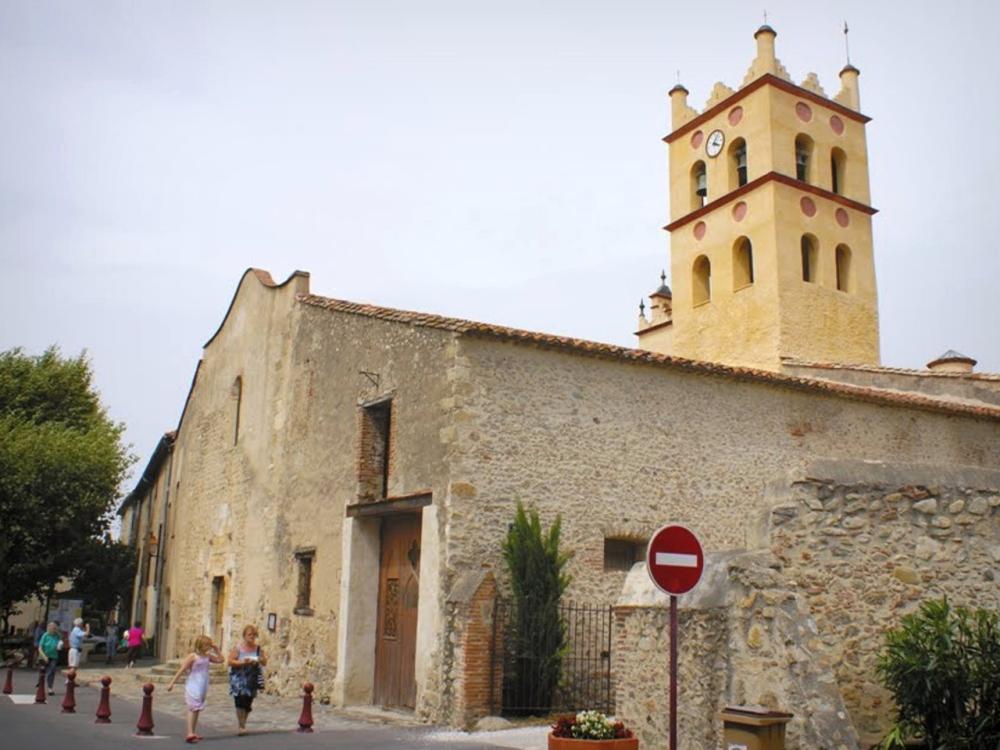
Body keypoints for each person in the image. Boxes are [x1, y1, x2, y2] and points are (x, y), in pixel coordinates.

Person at [167, 635, 224, 744]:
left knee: (197, 708)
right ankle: (189, 732)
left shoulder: (208, 656)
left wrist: (217, 650)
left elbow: (221, 660)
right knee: (192, 707)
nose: (208, 647)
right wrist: (172, 683)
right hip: (194, 683)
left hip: (203, 683)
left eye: (209, 645)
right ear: (200, 645)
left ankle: (193, 731)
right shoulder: (193, 656)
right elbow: (182, 669)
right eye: (207, 645)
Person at [227, 625, 267, 735]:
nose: (252, 637)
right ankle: (241, 726)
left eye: (254, 635)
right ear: (244, 636)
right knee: (239, 701)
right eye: (250, 634)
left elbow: (264, 662)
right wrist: (242, 662)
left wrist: (259, 660)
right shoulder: (238, 649)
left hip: (251, 679)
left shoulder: (258, 649)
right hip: (239, 679)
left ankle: (243, 722)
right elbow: (230, 661)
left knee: (248, 703)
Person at [37, 622, 63, 695]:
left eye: (55, 628)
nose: (54, 630)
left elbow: (60, 644)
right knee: (42, 671)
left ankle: (50, 688)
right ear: (49, 628)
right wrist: (44, 657)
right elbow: (40, 648)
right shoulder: (45, 635)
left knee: (51, 671)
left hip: (54, 656)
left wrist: (60, 646)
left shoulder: (57, 635)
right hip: (44, 656)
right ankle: (40, 684)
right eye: (53, 628)